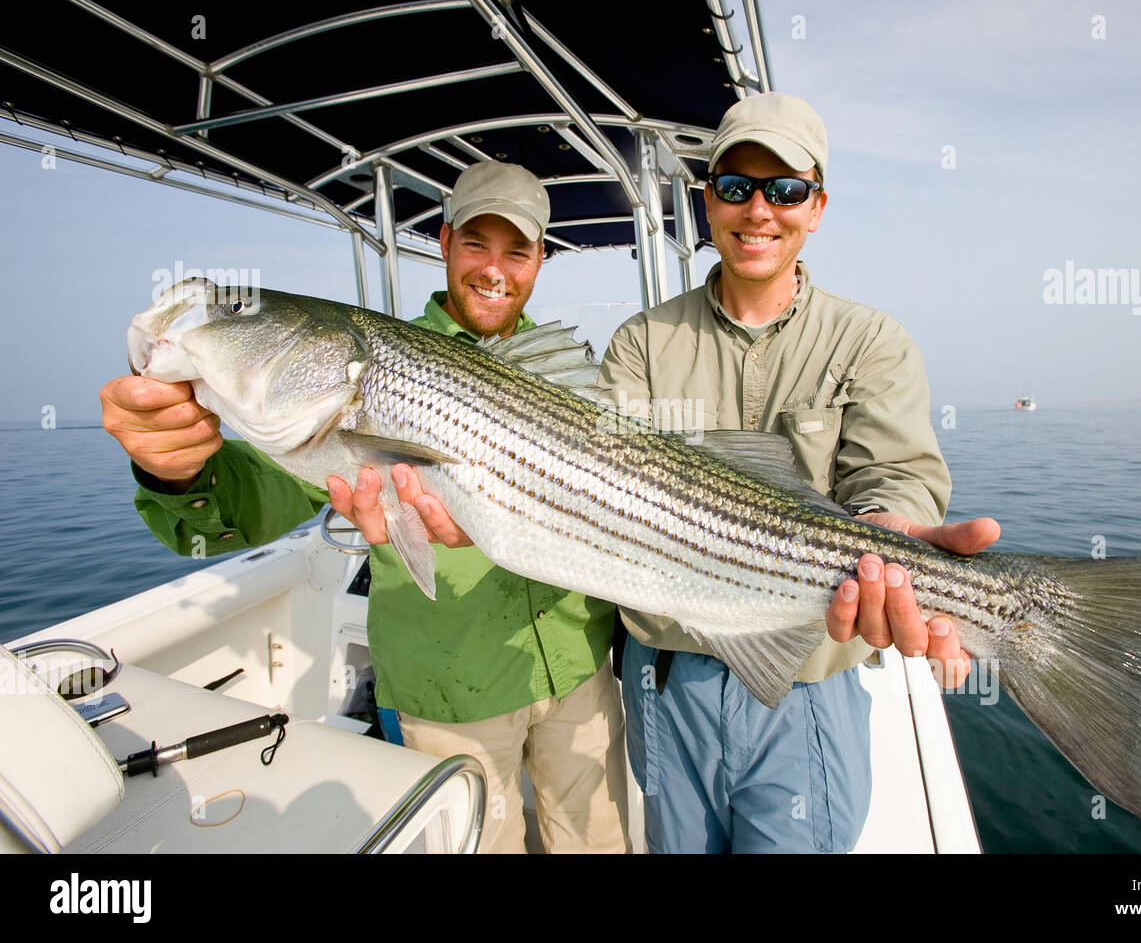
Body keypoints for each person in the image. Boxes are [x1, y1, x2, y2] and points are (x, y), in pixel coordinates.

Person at [101, 160, 630, 854]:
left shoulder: (571, 375)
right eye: (476, 244)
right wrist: (176, 470)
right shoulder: (363, 372)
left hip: (579, 670)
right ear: (444, 244)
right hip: (451, 691)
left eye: (517, 251)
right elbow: (244, 504)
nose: (494, 269)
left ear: (539, 260)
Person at [597, 92, 1001, 853]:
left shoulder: (870, 339)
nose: (759, 210)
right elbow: (604, 485)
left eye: (785, 190)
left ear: (816, 207)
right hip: (667, 680)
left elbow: (893, 476)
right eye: (736, 186)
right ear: (706, 201)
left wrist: (891, 529)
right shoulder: (640, 343)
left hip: (807, 679)